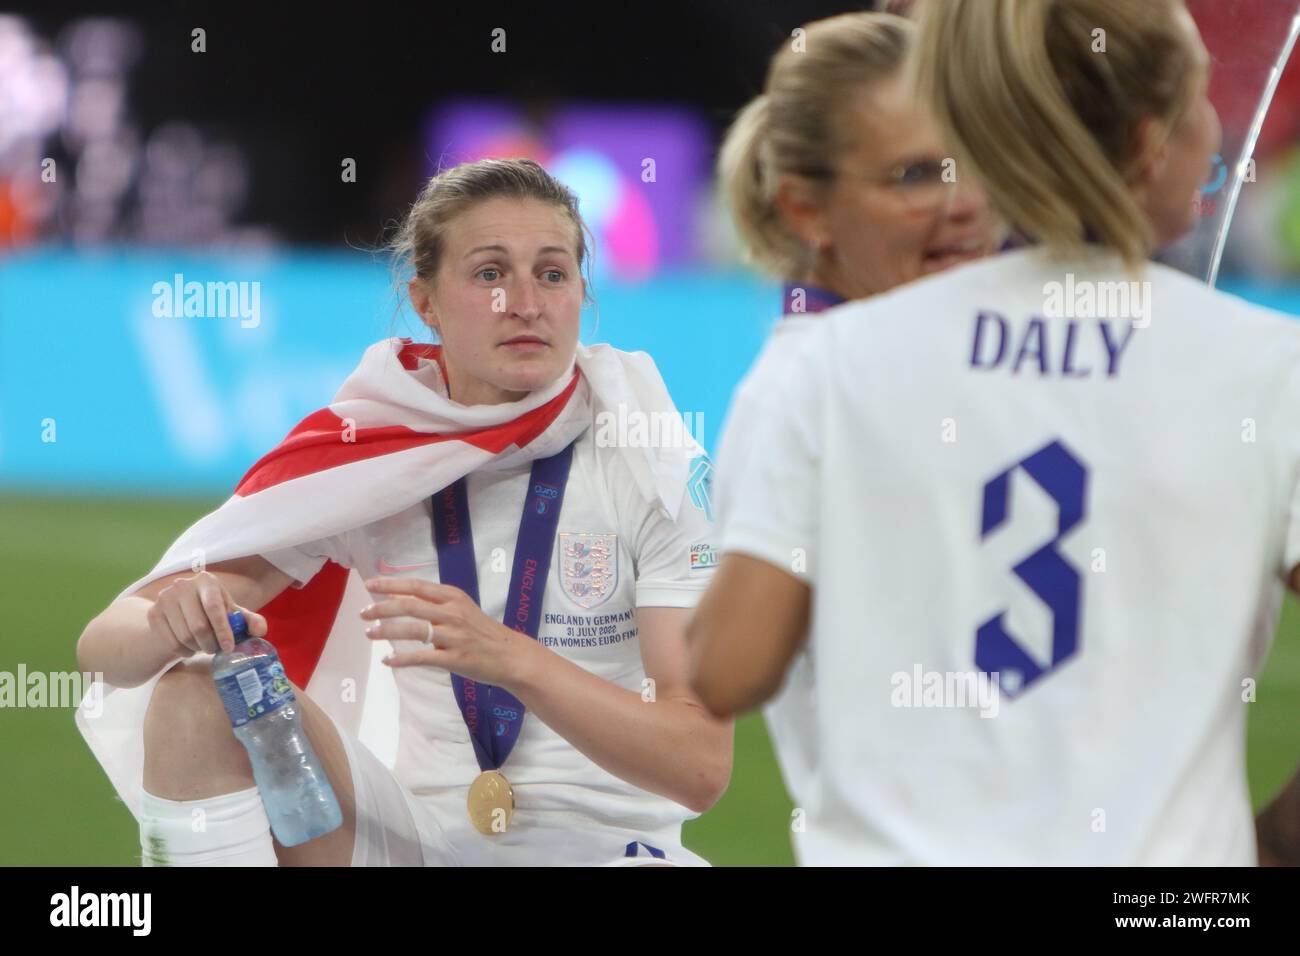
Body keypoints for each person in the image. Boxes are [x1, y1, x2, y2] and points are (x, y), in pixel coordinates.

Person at [688, 0, 1300, 866]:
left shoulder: (833, 362)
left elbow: (728, 670)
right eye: (1197, 100)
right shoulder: (1266, 365)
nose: (1217, 135)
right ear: (1145, 142)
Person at [76, 157, 732, 867]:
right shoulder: (377, 448)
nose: (525, 303)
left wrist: (513, 661)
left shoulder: (649, 457)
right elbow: (102, 646)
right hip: (421, 848)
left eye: (551, 273)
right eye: (489, 274)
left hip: (612, 852)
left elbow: (700, 767)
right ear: (426, 301)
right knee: (196, 694)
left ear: (581, 291)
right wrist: (170, 623)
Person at [712, 9, 999, 855]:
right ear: (808, 209)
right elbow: (730, 667)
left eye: (973, 161)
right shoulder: (808, 393)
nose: (965, 205)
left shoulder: (960, 363)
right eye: (915, 175)